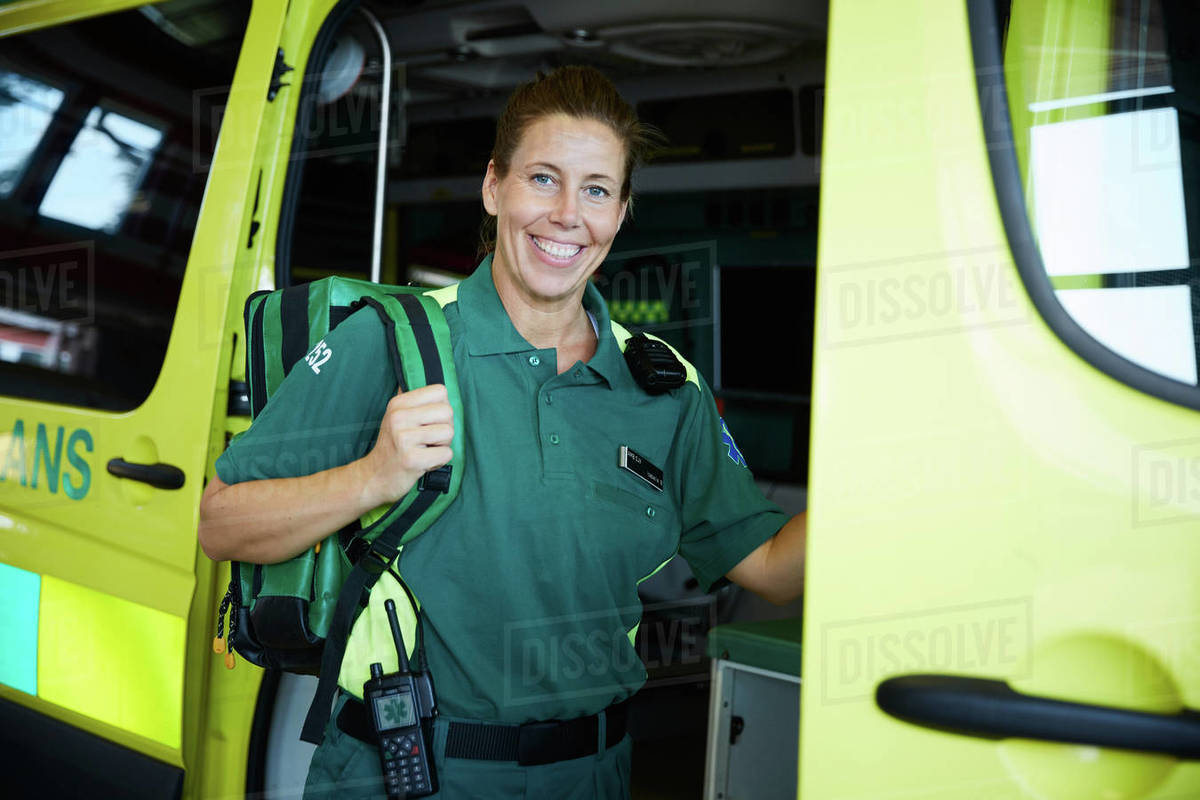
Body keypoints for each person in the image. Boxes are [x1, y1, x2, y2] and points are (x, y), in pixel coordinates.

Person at [198, 64, 806, 800]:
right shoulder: (393, 341)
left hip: (596, 775)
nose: (566, 215)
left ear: (620, 212)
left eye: (595, 190)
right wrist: (373, 476)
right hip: (413, 774)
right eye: (543, 179)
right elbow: (221, 520)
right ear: (495, 188)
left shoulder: (664, 388)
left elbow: (771, 568)